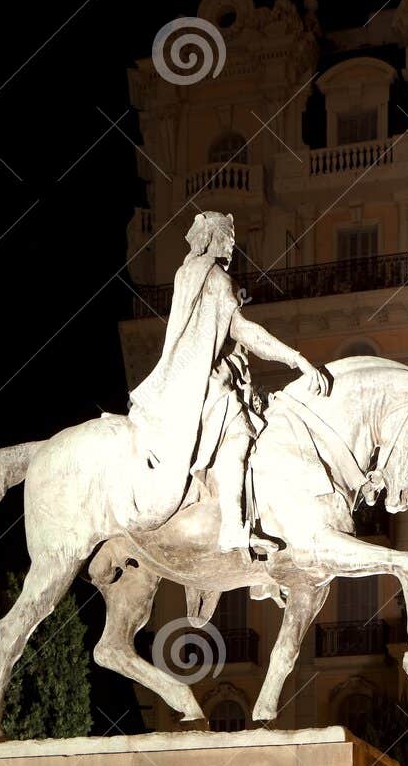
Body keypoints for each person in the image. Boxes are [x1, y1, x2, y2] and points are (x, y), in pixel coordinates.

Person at [128, 210, 329, 551]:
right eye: (228, 238)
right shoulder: (218, 281)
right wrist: (297, 359)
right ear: (214, 239)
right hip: (202, 384)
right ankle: (233, 528)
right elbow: (246, 332)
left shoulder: (185, 273)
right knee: (238, 433)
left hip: (179, 382)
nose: (233, 245)